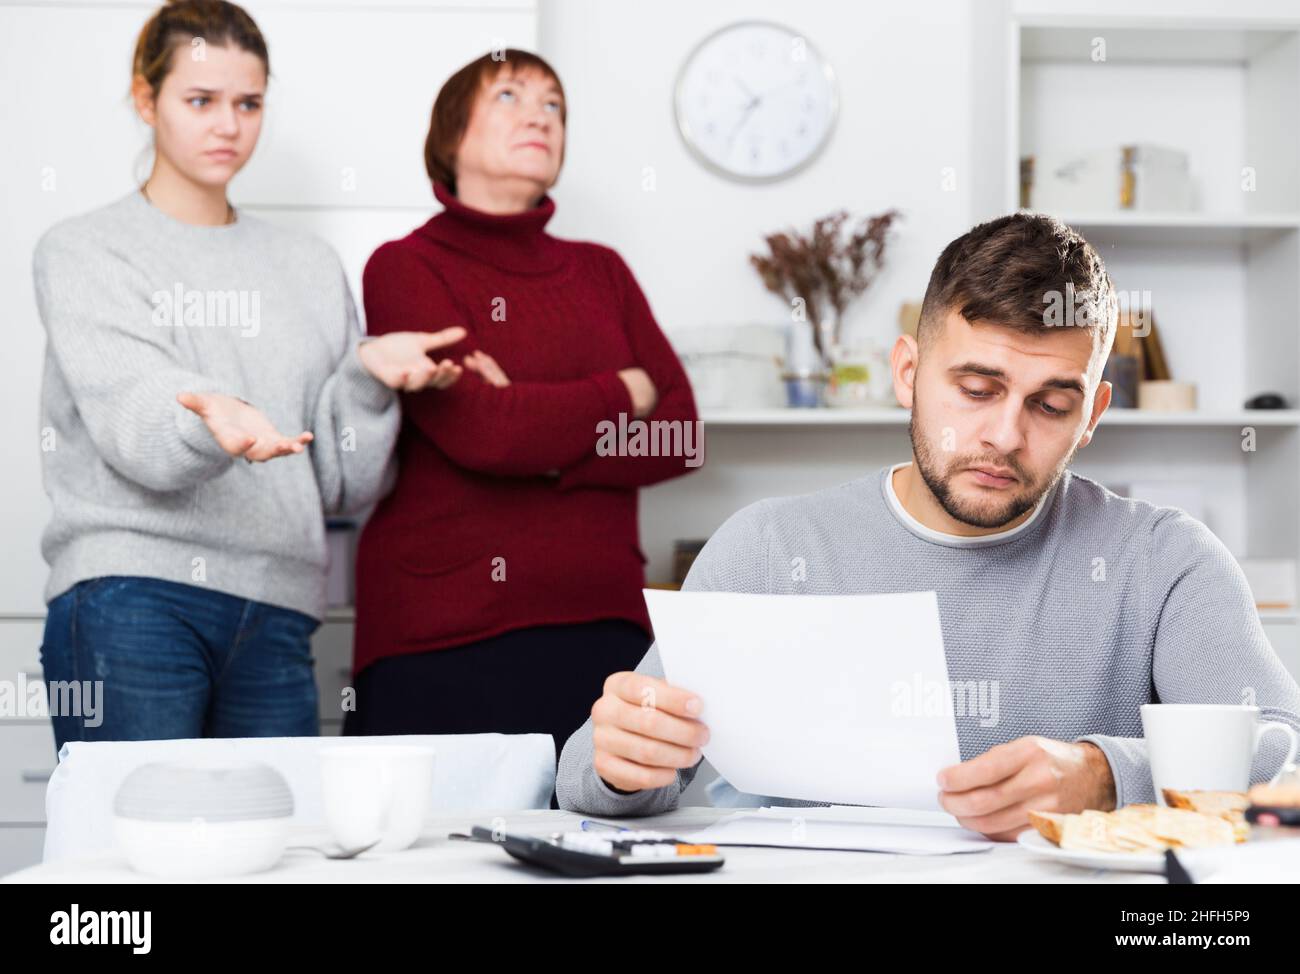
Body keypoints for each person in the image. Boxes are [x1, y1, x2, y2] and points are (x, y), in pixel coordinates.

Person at [556, 212, 1300, 840]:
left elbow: (1288, 763)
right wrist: (619, 761)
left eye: (1050, 405)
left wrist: (1107, 777)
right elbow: (588, 781)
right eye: (976, 388)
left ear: (1094, 415)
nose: (1004, 435)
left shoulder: (1164, 560)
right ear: (907, 373)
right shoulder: (769, 549)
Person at [32, 0, 465, 750]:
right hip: (133, 597)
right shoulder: (84, 250)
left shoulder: (308, 265)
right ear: (146, 99)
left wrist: (366, 381)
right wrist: (210, 419)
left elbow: (341, 485)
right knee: (136, 859)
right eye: (200, 100)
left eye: (248, 103)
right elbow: (136, 424)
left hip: (279, 611)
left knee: (271, 860)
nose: (228, 126)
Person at [346, 49, 701, 763]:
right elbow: (485, 434)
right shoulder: (404, 265)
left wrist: (540, 440)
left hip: (603, 621)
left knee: (605, 850)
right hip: (444, 633)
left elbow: (680, 437)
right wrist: (620, 393)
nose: (540, 114)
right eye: (510, 96)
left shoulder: (601, 269)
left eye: (554, 105)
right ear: (449, 137)